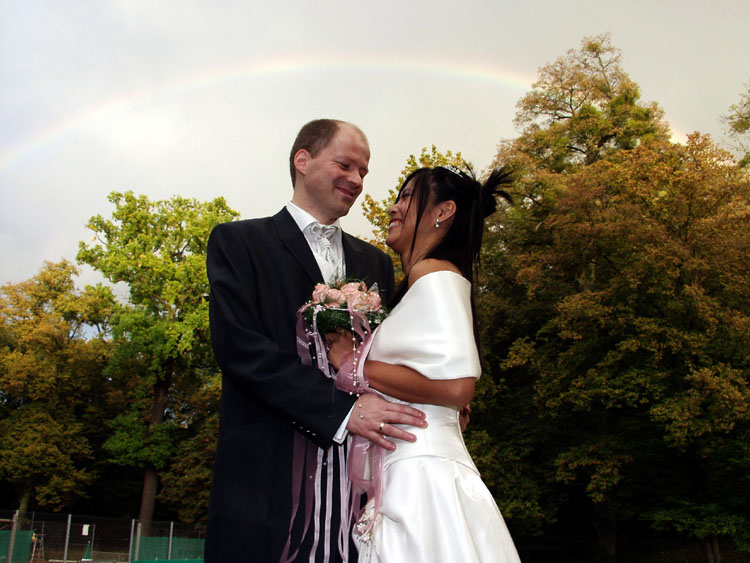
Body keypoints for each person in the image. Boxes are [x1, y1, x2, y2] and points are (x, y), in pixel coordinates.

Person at [204, 119, 426, 563]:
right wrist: (343, 411)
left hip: (355, 489)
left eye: (364, 172)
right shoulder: (238, 242)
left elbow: (389, 355)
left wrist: (436, 399)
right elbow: (240, 348)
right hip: (265, 484)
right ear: (302, 160)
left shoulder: (377, 264)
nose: (358, 180)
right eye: (345, 164)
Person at [327, 165, 522, 562]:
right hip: (413, 468)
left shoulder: (435, 276)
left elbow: (457, 387)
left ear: (443, 212)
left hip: (422, 478)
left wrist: (353, 363)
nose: (394, 208)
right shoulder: (425, 283)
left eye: (407, 197)